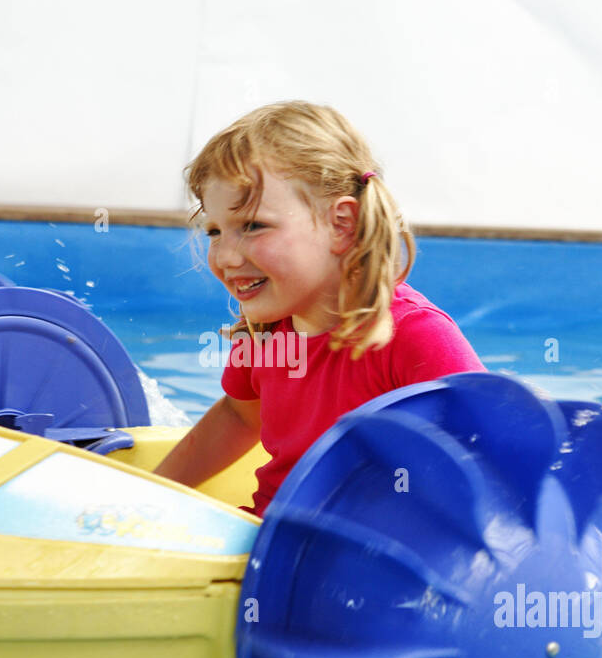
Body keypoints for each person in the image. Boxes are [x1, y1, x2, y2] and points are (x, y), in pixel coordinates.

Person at [153, 101, 485, 516]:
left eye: (253, 226)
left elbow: (486, 448)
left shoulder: (413, 336)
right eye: (216, 231)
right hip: (274, 540)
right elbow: (240, 417)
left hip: (367, 555)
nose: (226, 257)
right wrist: (150, 492)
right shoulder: (266, 332)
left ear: (341, 225)